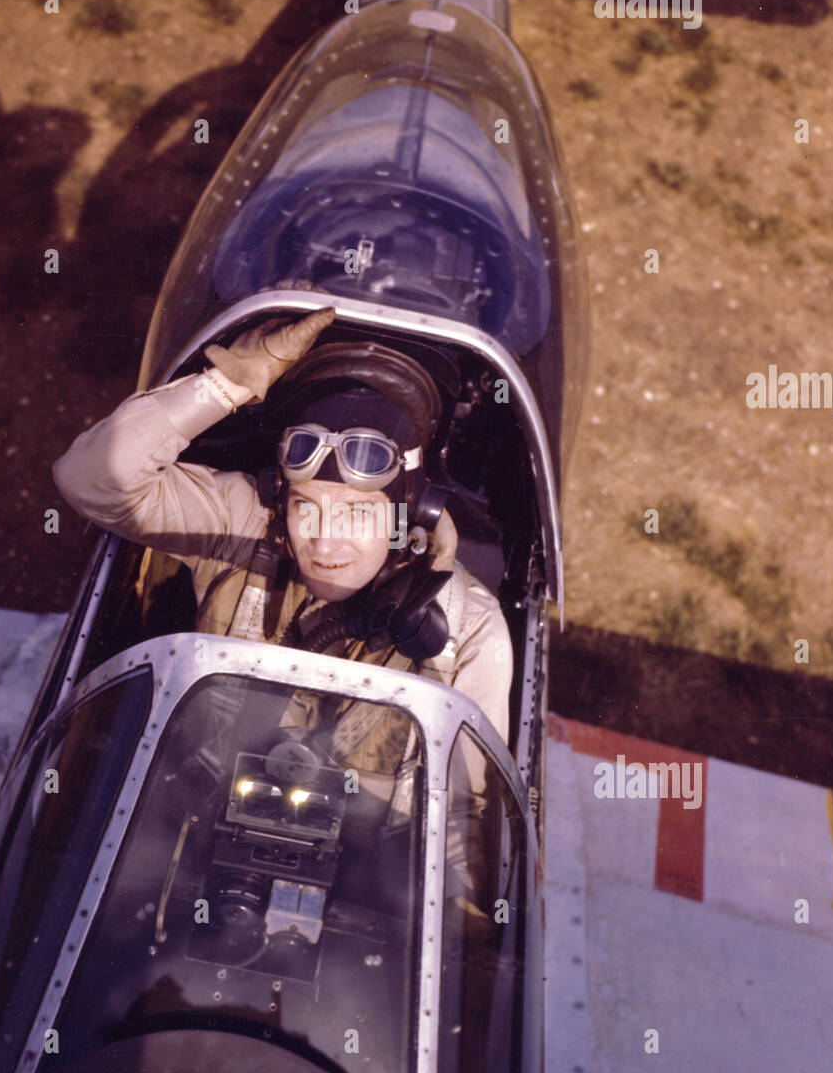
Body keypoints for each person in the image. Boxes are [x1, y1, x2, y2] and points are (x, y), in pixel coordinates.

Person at [52, 307, 514, 753]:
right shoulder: (245, 526)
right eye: (305, 507)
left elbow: (466, 817)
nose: (325, 542)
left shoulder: (471, 630)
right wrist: (228, 383)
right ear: (279, 499)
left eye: (357, 513)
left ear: (408, 514)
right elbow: (90, 478)